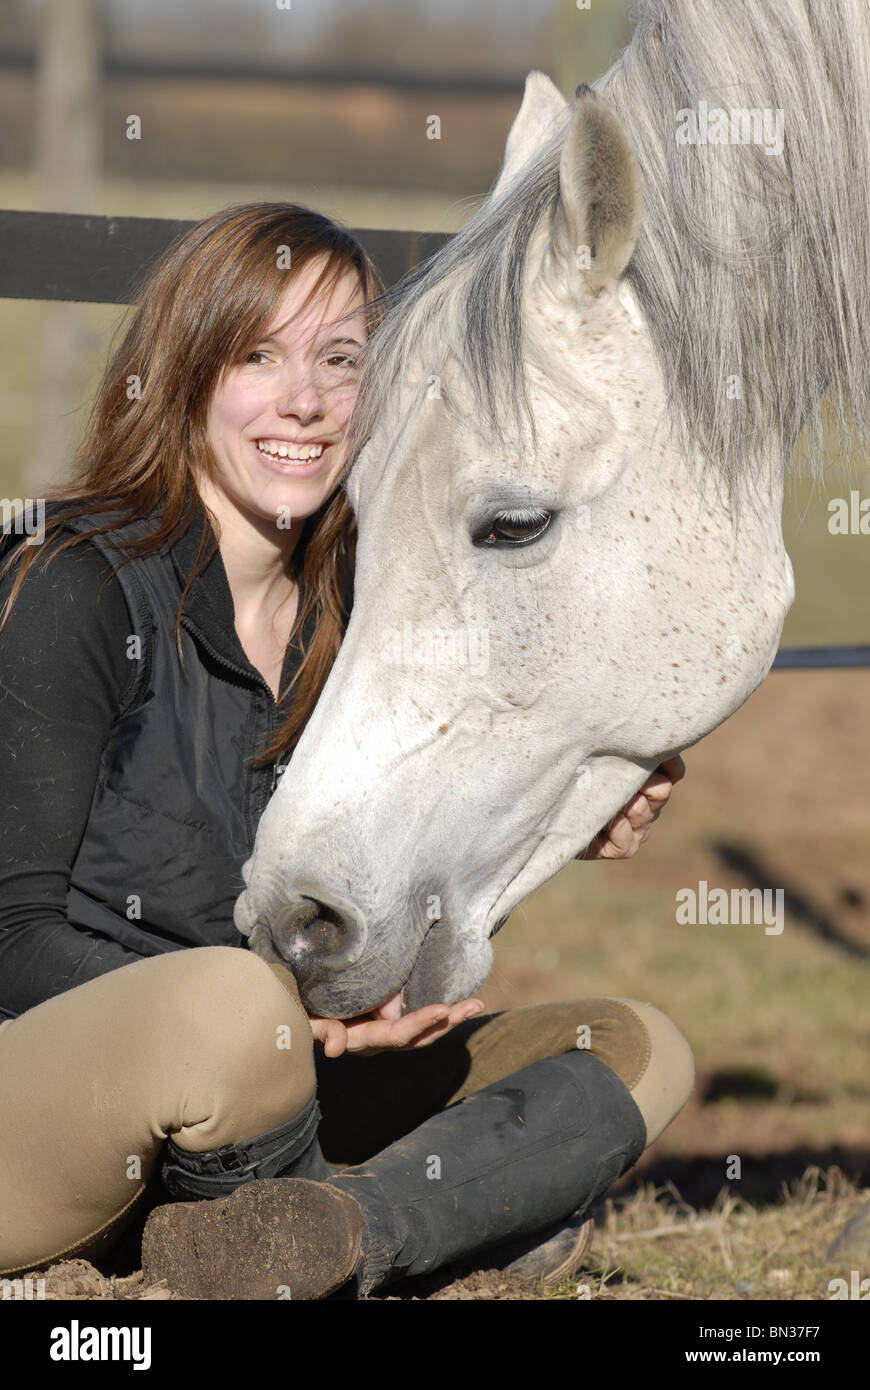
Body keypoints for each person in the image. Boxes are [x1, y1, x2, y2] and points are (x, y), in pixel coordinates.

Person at [0, 201, 692, 1299]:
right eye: (257, 357)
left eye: (340, 360)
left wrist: (580, 807)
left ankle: (330, 1233)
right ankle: (433, 1216)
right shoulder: (77, 583)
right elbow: (10, 936)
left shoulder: (368, 620)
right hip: (46, 1100)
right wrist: (281, 1017)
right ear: (182, 375)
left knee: (634, 1045)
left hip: (279, 1085)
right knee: (232, 1009)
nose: (308, 401)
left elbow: (396, 881)